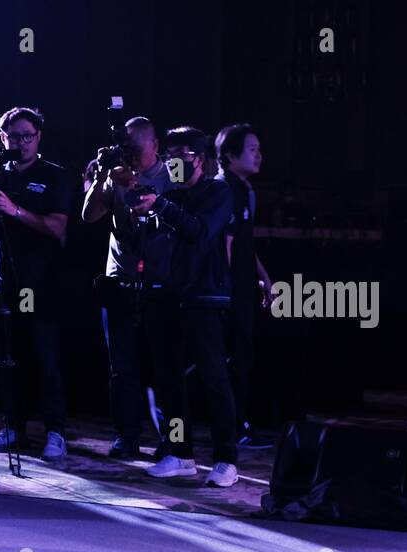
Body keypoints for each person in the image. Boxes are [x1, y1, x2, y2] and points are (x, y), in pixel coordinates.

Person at [0, 107, 73, 463]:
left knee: (45, 356)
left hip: (39, 282)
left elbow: (58, 229)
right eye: (14, 136)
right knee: (6, 357)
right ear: (2, 138)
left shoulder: (53, 176)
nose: (20, 142)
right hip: (0, 282)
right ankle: (13, 425)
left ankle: (55, 431)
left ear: (39, 136)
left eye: (27, 135)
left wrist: (15, 211)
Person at [136, 127, 240, 487]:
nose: (175, 161)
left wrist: (161, 207)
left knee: (213, 378)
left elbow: (200, 230)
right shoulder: (166, 194)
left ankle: (226, 458)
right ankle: (180, 453)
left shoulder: (218, 191)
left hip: (204, 297)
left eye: (183, 153)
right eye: (170, 154)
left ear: (201, 158)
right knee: (169, 380)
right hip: (167, 294)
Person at [82, 116, 174, 460]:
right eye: (126, 148)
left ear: (155, 146)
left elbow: (148, 215)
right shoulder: (115, 174)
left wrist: (127, 179)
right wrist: (102, 178)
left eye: (136, 148)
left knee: (162, 366)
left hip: (158, 282)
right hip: (119, 281)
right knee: (122, 366)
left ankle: (170, 438)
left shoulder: (170, 177)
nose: (130, 154)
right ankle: (127, 436)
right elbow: (89, 216)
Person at [215, 123, 275, 449]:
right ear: (229, 155)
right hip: (228, 292)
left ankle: (240, 425)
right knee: (232, 358)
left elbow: (244, 244)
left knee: (243, 356)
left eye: (259, 149)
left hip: (243, 289)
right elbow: (224, 243)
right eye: (252, 149)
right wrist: (225, 289)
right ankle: (234, 429)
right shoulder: (224, 190)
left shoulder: (246, 191)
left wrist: (264, 278)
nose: (258, 155)